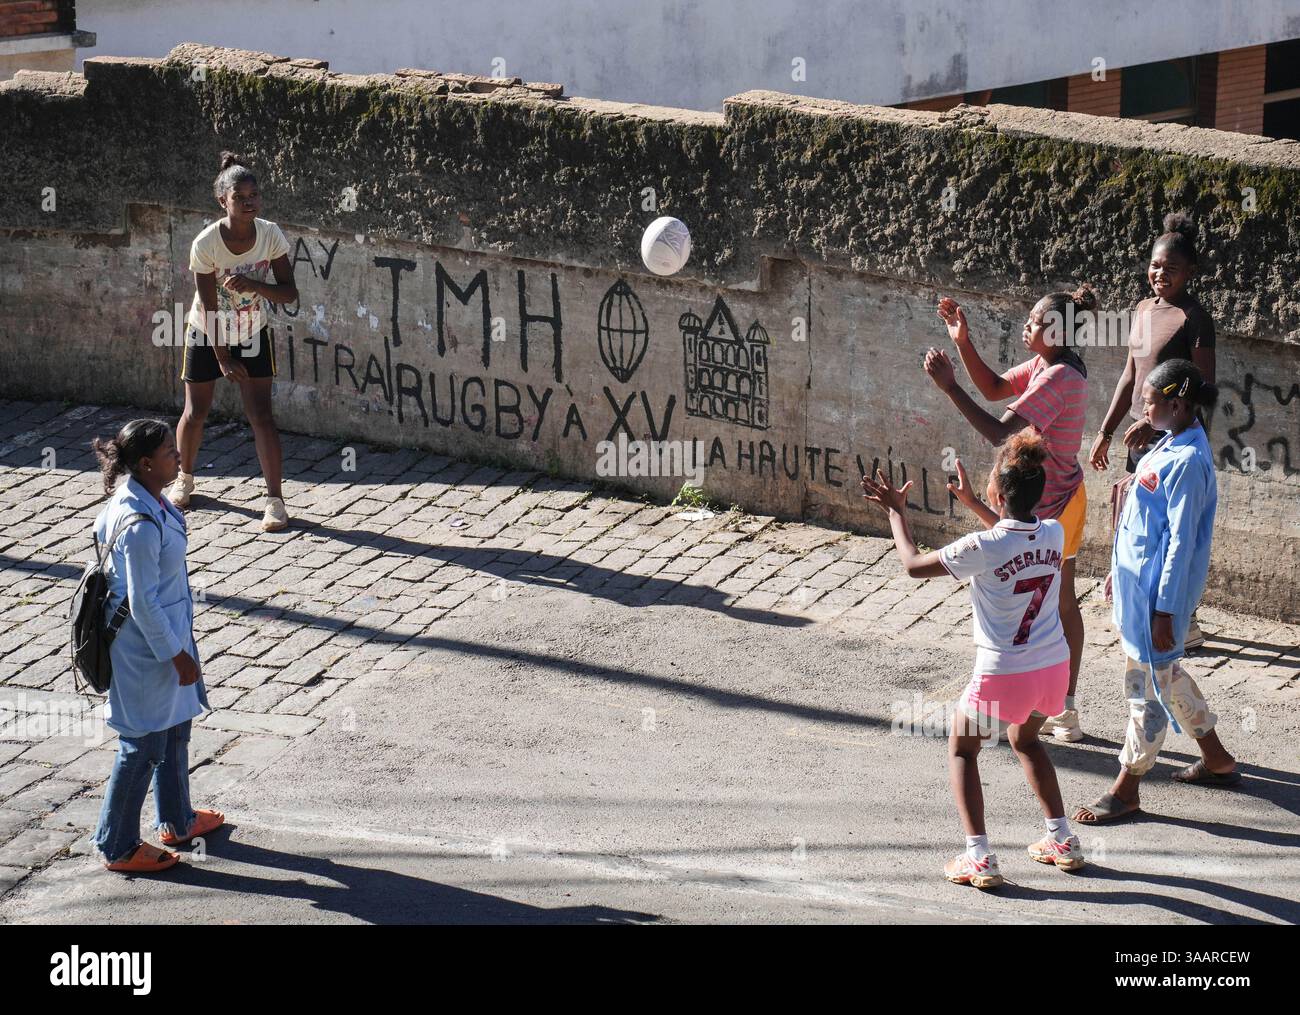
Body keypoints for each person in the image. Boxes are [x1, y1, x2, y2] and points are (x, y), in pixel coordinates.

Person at [862, 428, 1084, 890]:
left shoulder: (979, 548)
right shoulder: (1056, 533)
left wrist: (896, 514)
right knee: (1027, 741)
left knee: (964, 750)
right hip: (1052, 669)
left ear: (999, 494)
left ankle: (979, 857)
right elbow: (1015, 538)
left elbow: (912, 565)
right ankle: (1062, 840)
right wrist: (976, 506)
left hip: (1002, 673)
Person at [1073, 360, 1237, 825]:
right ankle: (1218, 759)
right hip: (1137, 587)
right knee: (1164, 675)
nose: (1140, 409)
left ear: (1178, 403)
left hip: (1156, 600)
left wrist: (1165, 611)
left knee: (1145, 691)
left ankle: (1127, 789)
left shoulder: (1188, 461)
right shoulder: (1170, 442)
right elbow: (1141, 520)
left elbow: (1181, 543)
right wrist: (1116, 572)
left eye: (1149, 402)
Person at [926, 287, 1093, 742]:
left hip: (1059, 504)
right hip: (1040, 501)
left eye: (1035, 321)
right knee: (1036, 591)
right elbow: (996, 388)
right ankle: (1035, 687)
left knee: (1060, 600)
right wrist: (962, 341)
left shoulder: (1060, 377)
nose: (1027, 325)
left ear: (1056, 332)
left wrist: (950, 388)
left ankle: (1065, 707)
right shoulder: (1046, 364)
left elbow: (999, 432)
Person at [90, 419, 224, 873]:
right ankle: (119, 845)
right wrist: (177, 654)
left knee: (176, 727)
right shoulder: (139, 524)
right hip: (146, 647)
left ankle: (178, 820)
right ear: (146, 464)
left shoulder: (147, 499)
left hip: (166, 633)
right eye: (170, 452)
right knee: (143, 742)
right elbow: (143, 604)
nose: (178, 456)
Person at [1090, 212, 1215, 648]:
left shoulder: (1195, 319)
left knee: (1172, 531)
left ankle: (1185, 619)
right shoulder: (1144, 310)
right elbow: (1130, 377)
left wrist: (1154, 423)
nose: (1161, 274)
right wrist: (1106, 430)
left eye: (1172, 269)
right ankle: (1131, 600)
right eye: (1156, 266)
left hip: (1174, 445)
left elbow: (1200, 390)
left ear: (1190, 273)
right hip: (1141, 439)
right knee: (1132, 517)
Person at [169, 151, 297, 532]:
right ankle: (184, 479)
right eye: (240, 197)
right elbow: (208, 305)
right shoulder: (206, 243)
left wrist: (255, 285)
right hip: (208, 333)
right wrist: (222, 357)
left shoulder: (270, 234)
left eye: (254, 195)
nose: (249, 202)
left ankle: (275, 502)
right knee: (196, 411)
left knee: (262, 416)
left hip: (253, 332)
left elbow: (289, 293)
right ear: (222, 200)